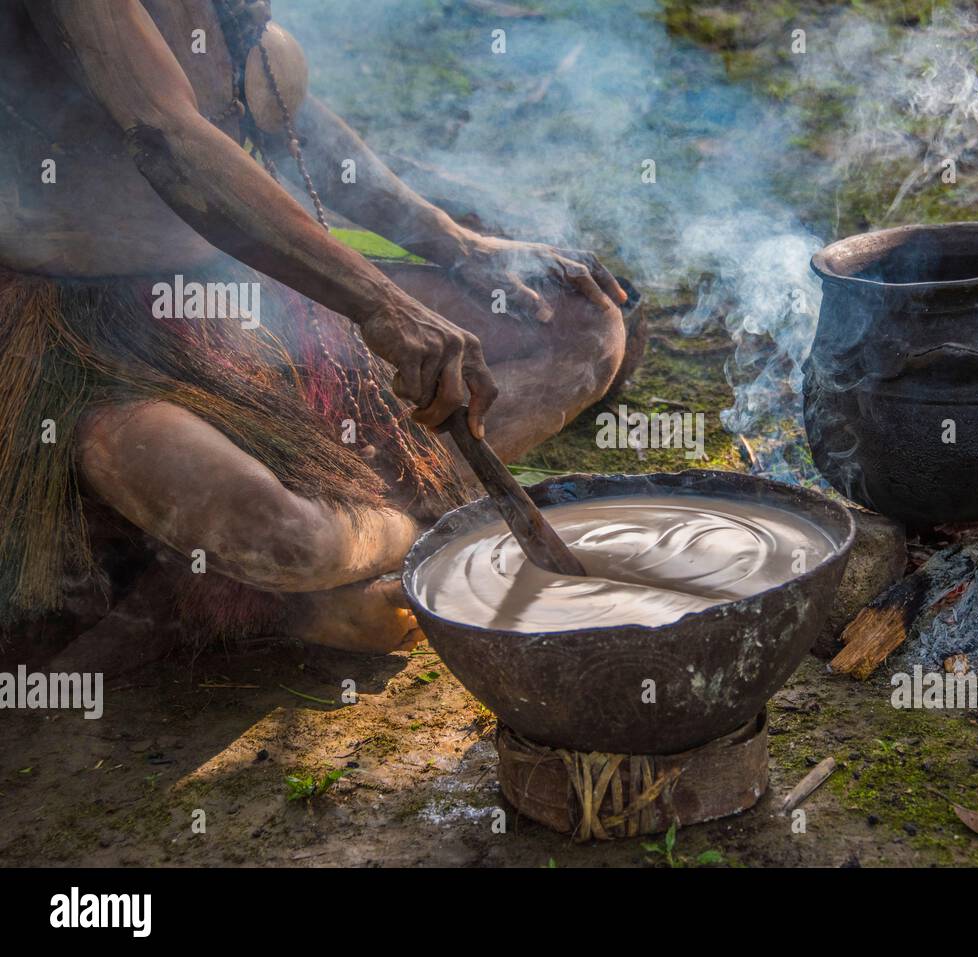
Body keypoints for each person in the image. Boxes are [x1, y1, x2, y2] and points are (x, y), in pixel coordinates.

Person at [0, 0, 630, 671]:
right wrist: (381, 303)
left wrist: (457, 245)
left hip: (257, 301)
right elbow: (169, 137)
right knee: (280, 535)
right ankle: (348, 566)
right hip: (89, 344)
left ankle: (359, 548)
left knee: (580, 326)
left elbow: (277, 113)